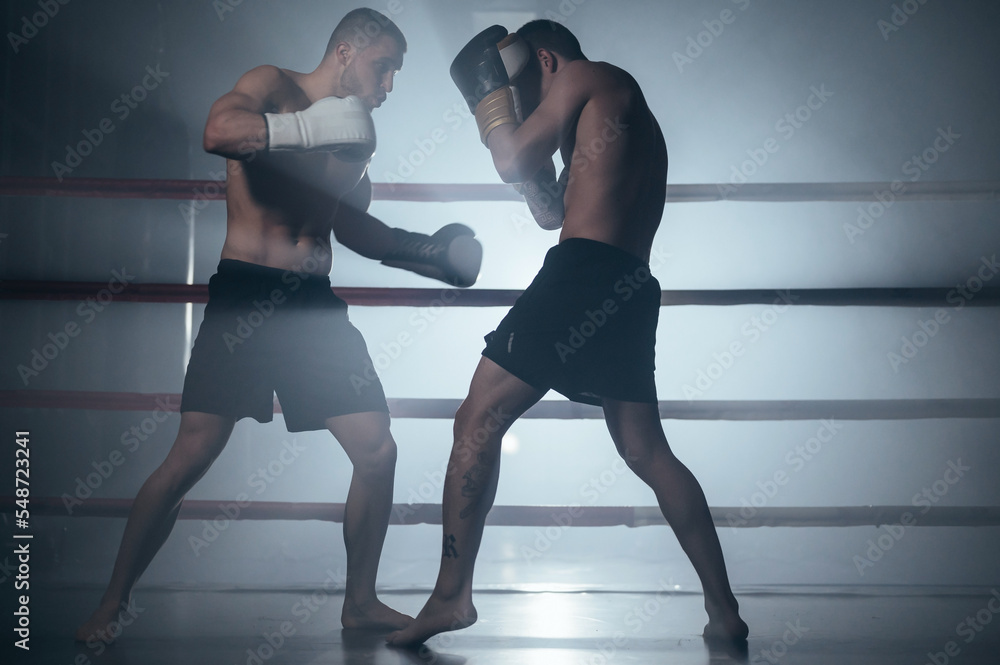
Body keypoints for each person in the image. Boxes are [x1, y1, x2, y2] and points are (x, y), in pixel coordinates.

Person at [76, 7, 483, 643]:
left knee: (377, 449)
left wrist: (425, 252)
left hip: (313, 304)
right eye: (383, 68)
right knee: (192, 454)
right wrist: (313, 126)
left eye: (396, 74)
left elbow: (350, 226)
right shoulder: (272, 84)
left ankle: (360, 601)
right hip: (246, 293)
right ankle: (111, 601)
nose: (388, 86)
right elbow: (217, 129)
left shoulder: (356, 137)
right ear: (346, 52)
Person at [388, 20, 748, 647]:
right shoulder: (621, 113)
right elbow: (549, 210)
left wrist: (489, 104)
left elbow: (508, 161)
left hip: (582, 274)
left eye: (526, 88)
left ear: (547, 60)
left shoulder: (585, 76)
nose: (527, 106)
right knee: (646, 452)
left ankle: (450, 598)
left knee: (476, 418)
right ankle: (724, 610)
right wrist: (514, 125)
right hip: (630, 283)